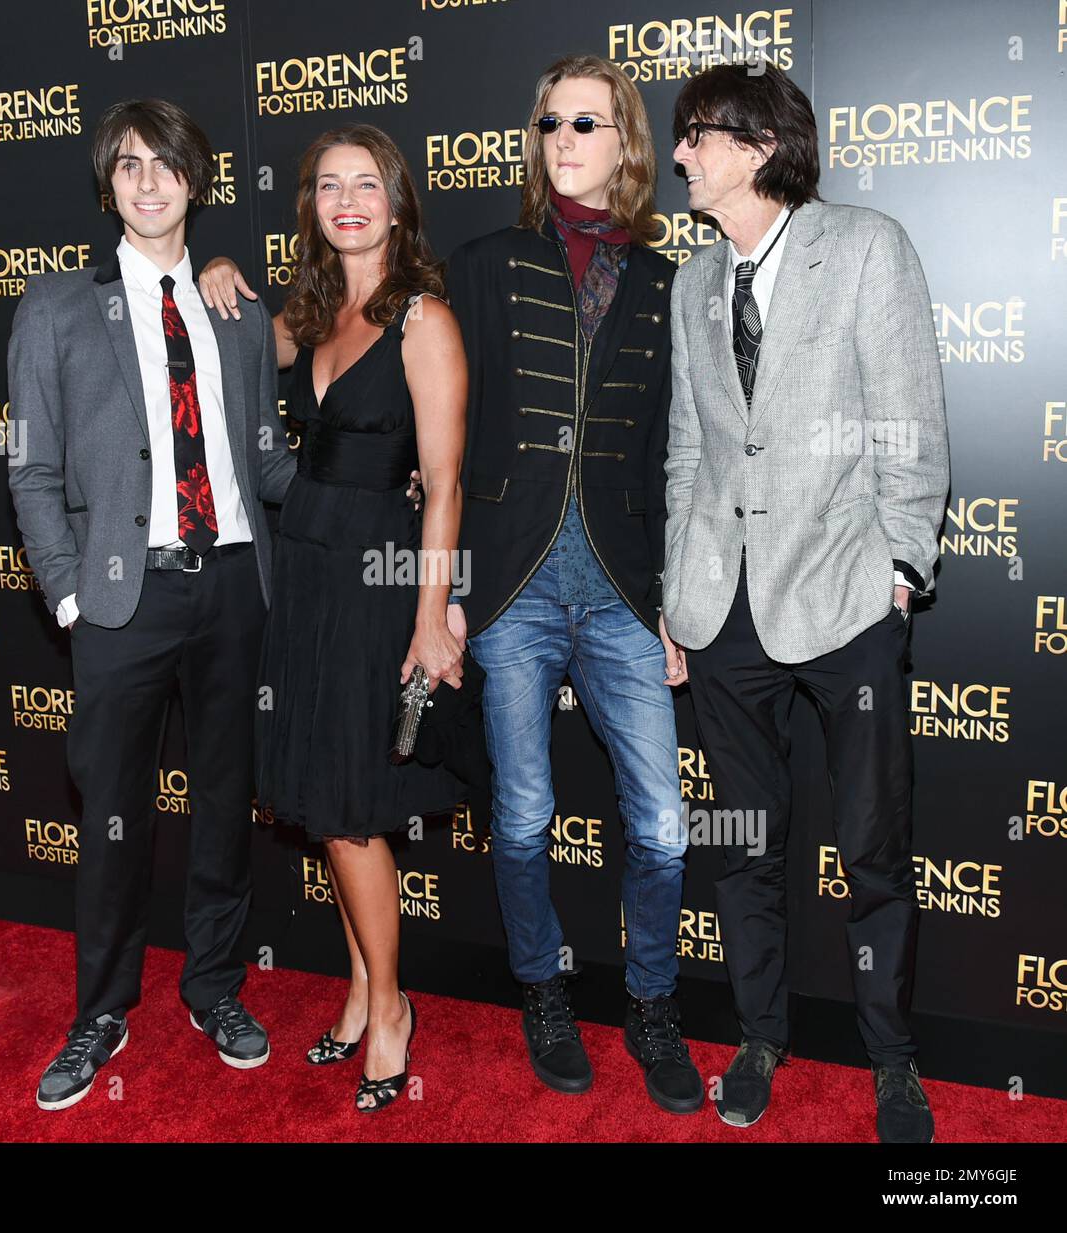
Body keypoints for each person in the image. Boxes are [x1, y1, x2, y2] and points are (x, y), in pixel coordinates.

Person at [660, 63, 949, 1143]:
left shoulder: (866, 248)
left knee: (872, 846)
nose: (679, 155)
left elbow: (908, 426)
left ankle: (892, 1059)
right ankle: (758, 1036)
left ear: (759, 145)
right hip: (718, 612)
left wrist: (901, 569)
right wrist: (675, 599)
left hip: (842, 601)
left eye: (696, 137)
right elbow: (690, 449)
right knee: (742, 843)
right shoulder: (693, 281)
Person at [7, 97, 299, 1110]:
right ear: (108, 184)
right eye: (127, 164)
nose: (146, 180)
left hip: (230, 589)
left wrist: (364, 504)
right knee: (114, 820)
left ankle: (215, 988)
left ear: (196, 180)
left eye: (164, 163)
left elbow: (263, 459)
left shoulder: (238, 308)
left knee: (224, 806)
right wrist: (72, 596)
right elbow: (32, 470)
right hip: (121, 602)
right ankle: (100, 1013)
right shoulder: (53, 308)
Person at [444, 54, 700, 1112]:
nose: (563, 138)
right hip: (510, 586)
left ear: (626, 145)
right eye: (549, 121)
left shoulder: (663, 282)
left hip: (624, 587)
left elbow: (673, 458)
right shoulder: (486, 263)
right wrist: (449, 590)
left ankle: (649, 1002)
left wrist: (674, 605)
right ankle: (541, 986)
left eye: (585, 123)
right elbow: (442, 439)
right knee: (521, 816)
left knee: (662, 826)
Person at [202, 124, 470, 1113]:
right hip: (304, 570)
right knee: (320, 795)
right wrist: (222, 268)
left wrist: (432, 615)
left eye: (367, 185)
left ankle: (392, 1009)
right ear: (310, 206)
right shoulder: (313, 310)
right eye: (328, 186)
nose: (347, 200)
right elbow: (234, 336)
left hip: (376, 577)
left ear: (397, 203)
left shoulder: (424, 320)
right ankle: (361, 988)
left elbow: (442, 485)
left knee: (354, 812)